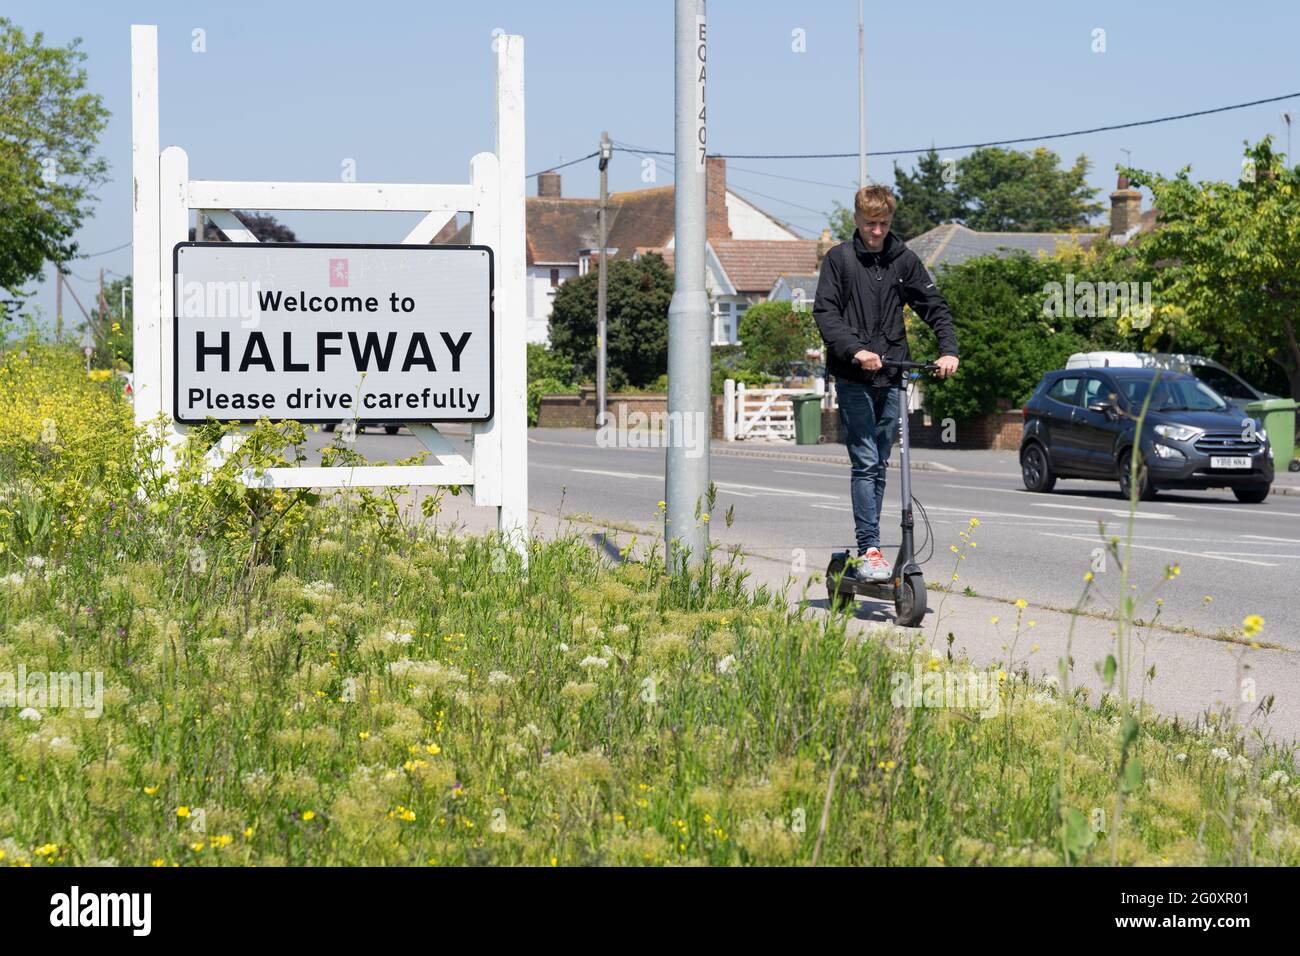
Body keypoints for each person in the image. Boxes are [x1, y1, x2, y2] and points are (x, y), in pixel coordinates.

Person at [813, 185, 959, 583]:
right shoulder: (839, 260)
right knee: (865, 461)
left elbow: (934, 306)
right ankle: (869, 548)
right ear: (857, 220)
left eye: (883, 224)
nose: (877, 231)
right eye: (870, 224)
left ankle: (872, 548)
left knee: (880, 462)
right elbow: (826, 314)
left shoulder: (903, 260)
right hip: (854, 376)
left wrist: (949, 350)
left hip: (893, 374)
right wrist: (856, 350)